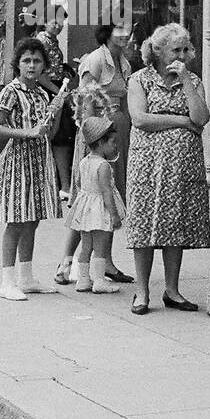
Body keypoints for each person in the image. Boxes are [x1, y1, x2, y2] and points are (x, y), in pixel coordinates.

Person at [0, 37, 70, 300]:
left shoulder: (41, 94)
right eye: (26, 60)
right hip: (17, 160)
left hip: (39, 160)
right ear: (17, 64)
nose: (31, 65)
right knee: (16, 219)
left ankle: (26, 277)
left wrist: (58, 110)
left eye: (37, 61)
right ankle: (7, 281)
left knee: (33, 218)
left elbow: (48, 135)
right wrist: (26, 133)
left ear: (44, 66)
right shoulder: (11, 91)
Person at [125, 23, 210, 314]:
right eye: (176, 50)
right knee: (145, 222)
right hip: (148, 163)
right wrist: (180, 121)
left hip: (182, 165)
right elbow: (140, 119)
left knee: (176, 223)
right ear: (158, 51)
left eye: (186, 49)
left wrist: (185, 80)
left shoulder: (194, 80)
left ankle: (172, 290)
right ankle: (141, 292)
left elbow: (200, 118)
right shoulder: (140, 79)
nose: (183, 55)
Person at [55, 82, 126, 286]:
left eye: (94, 109)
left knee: (94, 229)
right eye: (85, 108)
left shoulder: (97, 133)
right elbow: (81, 167)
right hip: (89, 188)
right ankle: (67, 263)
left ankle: (100, 266)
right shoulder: (88, 136)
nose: (88, 112)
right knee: (85, 227)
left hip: (92, 186)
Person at [67, 116, 127, 294]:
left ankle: (83, 279)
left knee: (86, 246)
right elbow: (106, 191)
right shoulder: (104, 166)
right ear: (101, 143)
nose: (115, 146)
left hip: (85, 209)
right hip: (99, 210)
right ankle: (100, 280)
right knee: (100, 247)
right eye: (112, 142)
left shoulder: (84, 161)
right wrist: (114, 215)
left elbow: (78, 183)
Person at [79, 21, 133, 192]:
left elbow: (125, 100)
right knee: (100, 176)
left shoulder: (124, 63)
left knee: (119, 176)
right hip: (99, 125)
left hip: (120, 126)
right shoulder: (95, 58)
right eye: (119, 28)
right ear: (107, 31)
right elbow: (85, 99)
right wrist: (92, 134)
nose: (125, 33)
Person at [35, 6, 75, 194]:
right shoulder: (42, 41)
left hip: (55, 88)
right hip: (48, 91)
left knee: (60, 137)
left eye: (61, 21)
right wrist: (58, 93)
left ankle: (59, 184)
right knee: (56, 137)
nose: (58, 25)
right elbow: (39, 74)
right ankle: (60, 185)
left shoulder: (52, 41)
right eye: (54, 20)